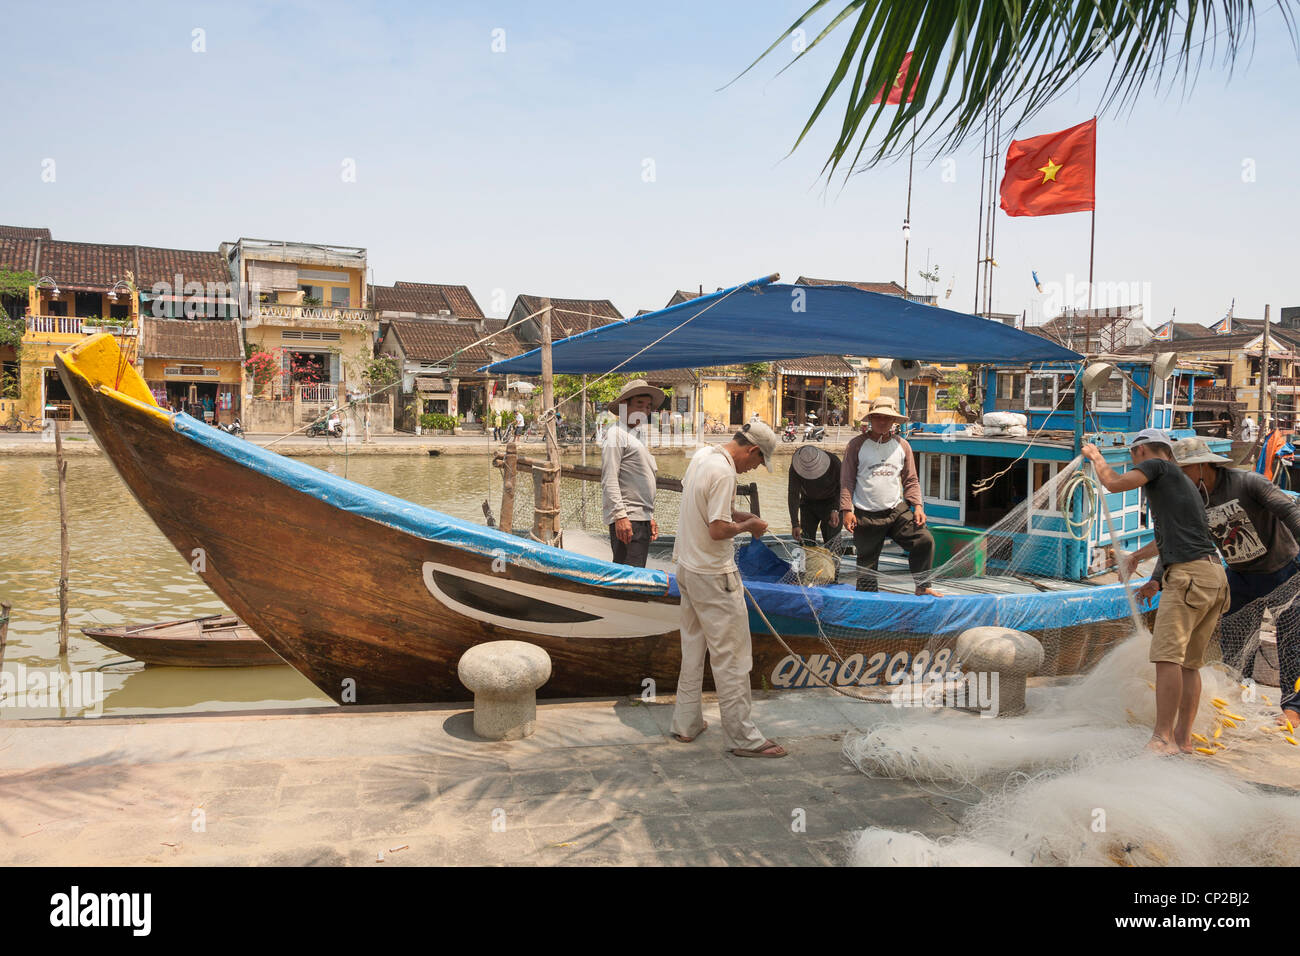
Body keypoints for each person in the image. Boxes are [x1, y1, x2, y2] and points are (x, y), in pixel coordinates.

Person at [1083, 428, 1230, 755]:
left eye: (1134, 459)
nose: (1136, 466)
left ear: (1141, 453)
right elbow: (1176, 540)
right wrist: (1153, 575)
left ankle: (1162, 739)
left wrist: (1095, 457)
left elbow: (1114, 483)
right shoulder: (1183, 485)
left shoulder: (1158, 466)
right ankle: (1182, 740)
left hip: (1191, 577)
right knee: (1190, 665)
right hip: (1213, 577)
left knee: (1166, 658)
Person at [1162, 437, 1300, 727]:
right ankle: (1238, 695)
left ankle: (1293, 708)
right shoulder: (1193, 499)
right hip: (1240, 574)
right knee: (1234, 642)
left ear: (1201, 465)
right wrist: (1153, 577)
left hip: (1283, 571)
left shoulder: (1247, 483)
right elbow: (1175, 539)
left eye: (1183, 470)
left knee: (1291, 641)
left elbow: (1290, 512)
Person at [670, 421, 787, 758]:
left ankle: (686, 723)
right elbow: (719, 529)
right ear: (752, 450)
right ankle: (742, 737)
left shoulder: (703, 456)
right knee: (733, 657)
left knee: (693, 649)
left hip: (687, 568)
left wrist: (739, 513)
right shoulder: (725, 473)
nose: (755, 468)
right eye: (757, 462)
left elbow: (706, 506)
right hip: (713, 575)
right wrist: (750, 525)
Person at [840, 397, 940, 597]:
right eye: (877, 417)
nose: (882, 422)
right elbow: (847, 481)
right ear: (870, 419)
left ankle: (922, 586)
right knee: (867, 570)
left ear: (894, 421)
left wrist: (918, 506)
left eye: (887, 418)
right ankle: (868, 605)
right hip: (866, 513)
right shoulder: (856, 445)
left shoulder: (902, 445)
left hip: (896, 511)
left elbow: (911, 480)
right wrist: (846, 510)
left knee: (924, 539)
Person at [601, 379, 661, 567]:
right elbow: (609, 478)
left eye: (648, 406)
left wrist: (649, 516)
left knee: (635, 572)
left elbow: (640, 478)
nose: (645, 410)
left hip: (640, 517)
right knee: (629, 577)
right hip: (628, 518)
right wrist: (620, 515)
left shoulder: (636, 435)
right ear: (624, 405)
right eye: (639, 404)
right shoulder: (615, 434)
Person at [788, 445, 842, 548]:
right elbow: (793, 494)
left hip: (832, 501)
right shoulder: (795, 467)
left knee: (832, 542)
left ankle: (834, 563)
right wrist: (795, 523)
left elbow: (843, 487)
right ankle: (810, 563)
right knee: (807, 542)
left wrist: (836, 509)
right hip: (808, 503)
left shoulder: (835, 462)